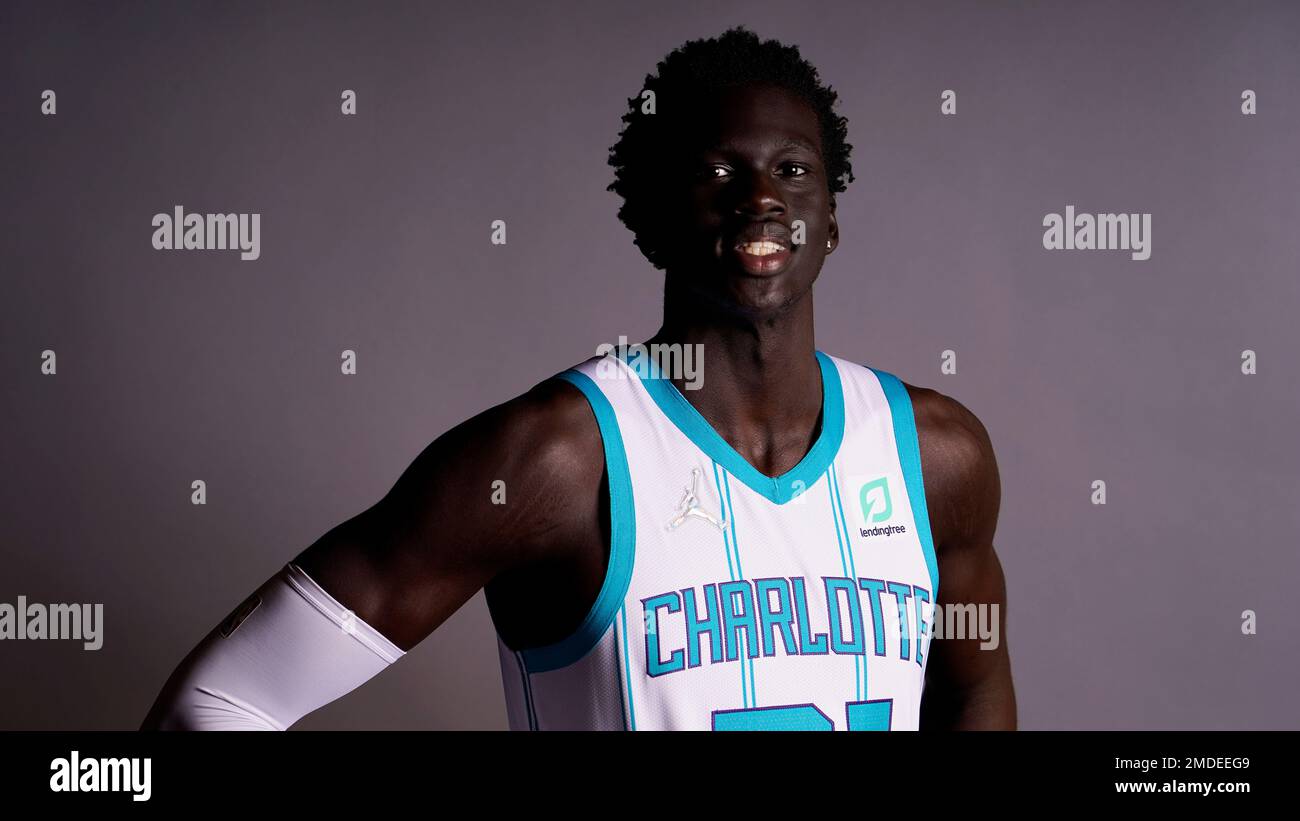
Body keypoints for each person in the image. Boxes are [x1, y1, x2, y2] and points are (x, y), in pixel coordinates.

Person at [142, 25, 1015, 731]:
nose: (762, 199)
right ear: (656, 219)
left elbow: (974, 689)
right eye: (719, 173)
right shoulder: (555, 461)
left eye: (794, 170)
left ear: (830, 221)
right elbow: (220, 704)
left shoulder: (936, 458)